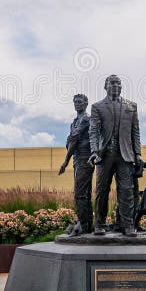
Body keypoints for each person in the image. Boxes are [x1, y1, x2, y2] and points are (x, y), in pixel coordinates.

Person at [89, 74, 142, 237]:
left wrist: (138, 154)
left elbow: (135, 132)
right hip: (104, 155)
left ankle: (127, 225)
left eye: (118, 83)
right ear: (105, 87)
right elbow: (94, 131)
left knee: (126, 191)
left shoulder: (131, 106)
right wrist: (94, 151)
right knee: (102, 190)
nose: (115, 85)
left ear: (121, 86)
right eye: (112, 83)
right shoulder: (97, 107)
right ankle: (99, 224)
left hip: (125, 155)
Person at [58, 93, 94, 235]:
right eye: (75, 101)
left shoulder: (85, 119)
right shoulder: (74, 121)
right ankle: (84, 222)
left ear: (85, 104)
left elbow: (73, 140)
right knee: (82, 192)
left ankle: (83, 223)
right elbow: (70, 141)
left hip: (85, 158)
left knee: (81, 193)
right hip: (77, 159)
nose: (77, 104)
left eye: (80, 101)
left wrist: (65, 161)